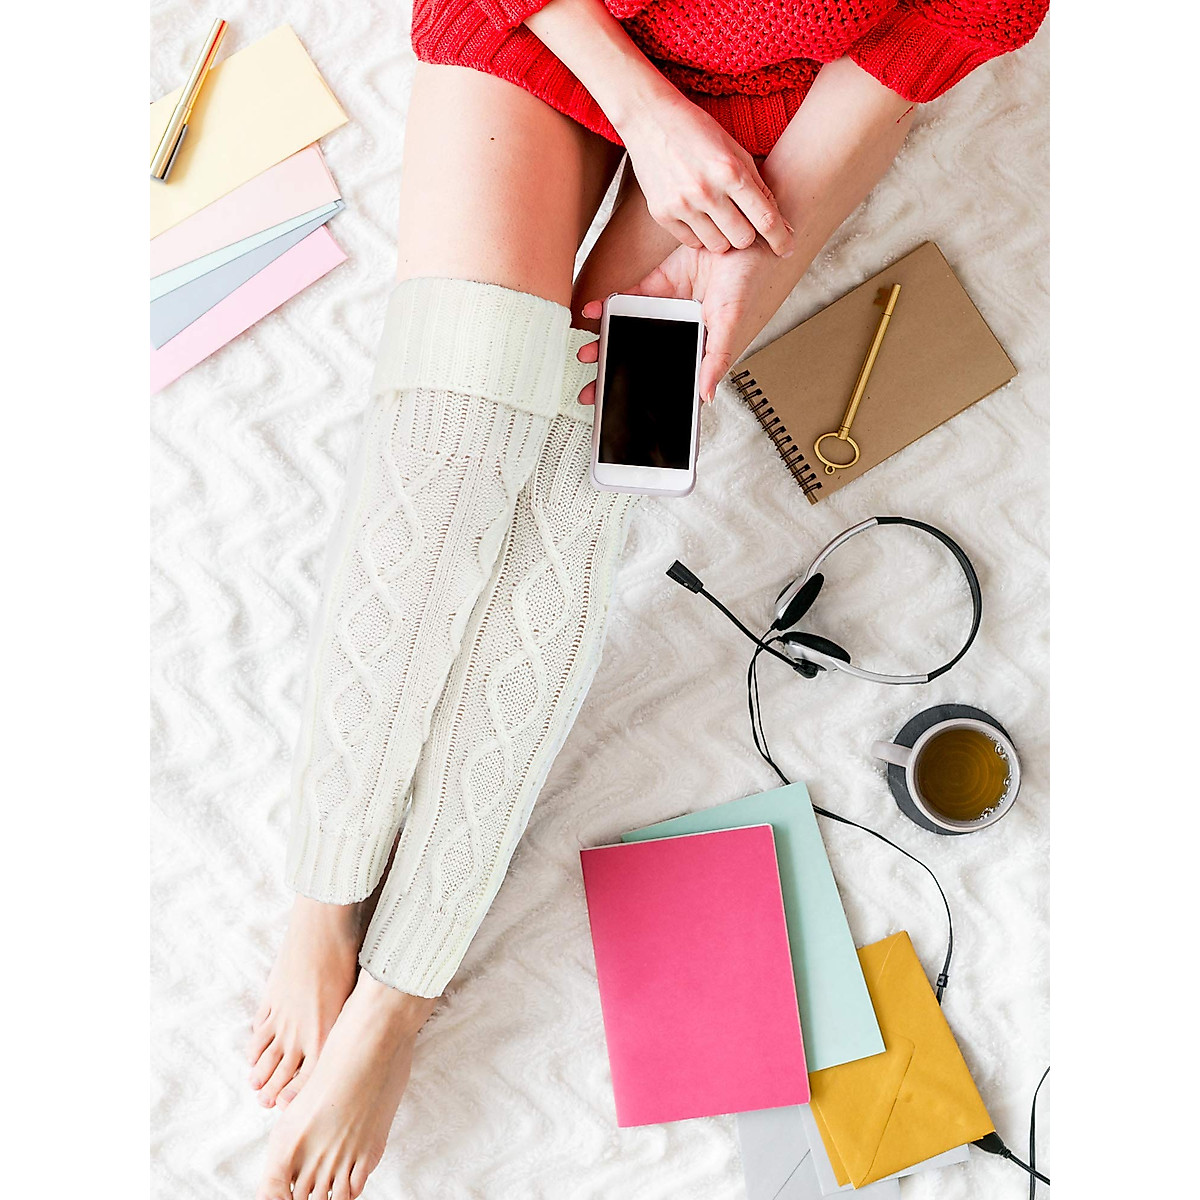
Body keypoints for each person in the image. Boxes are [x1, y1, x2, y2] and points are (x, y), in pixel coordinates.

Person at [248, 1, 1048, 1195]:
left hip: (758, 106)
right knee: (453, 441)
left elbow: (898, 63)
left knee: (595, 470)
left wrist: (752, 263)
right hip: (542, 26)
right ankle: (327, 895)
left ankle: (403, 991)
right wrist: (642, 112)